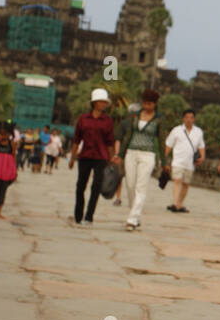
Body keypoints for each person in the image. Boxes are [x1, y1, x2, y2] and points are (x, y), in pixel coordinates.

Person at [69, 88, 119, 225]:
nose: (103, 104)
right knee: (81, 185)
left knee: (96, 187)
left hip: (101, 157)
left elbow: (110, 142)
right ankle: (78, 213)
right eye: (101, 101)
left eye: (105, 102)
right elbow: (76, 139)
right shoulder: (83, 119)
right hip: (85, 156)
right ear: (94, 102)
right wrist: (72, 158)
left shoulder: (108, 121)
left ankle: (89, 216)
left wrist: (111, 159)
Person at [118, 88, 164, 231]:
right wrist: (120, 154)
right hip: (131, 152)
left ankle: (131, 220)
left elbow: (161, 140)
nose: (147, 106)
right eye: (145, 103)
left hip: (148, 154)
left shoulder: (159, 119)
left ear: (155, 104)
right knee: (130, 185)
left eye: (150, 104)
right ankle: (136, 215)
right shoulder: (134, 116)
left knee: (141, 187)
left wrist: (165, 161)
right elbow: (127, 136)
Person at [164, 109, 206, 213]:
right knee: (177, 180)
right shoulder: (176, 130)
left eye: (191, 117)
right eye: (186, 117)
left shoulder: (198, 132)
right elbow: (169, 145)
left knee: (186, 183)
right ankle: (175, 203)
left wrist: (202, 156)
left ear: (194, 119)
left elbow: (201, 146)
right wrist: (164, 159)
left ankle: (179, 204)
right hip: (178, 161)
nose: (189, 120)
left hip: (190, 163)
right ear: (183, 118)